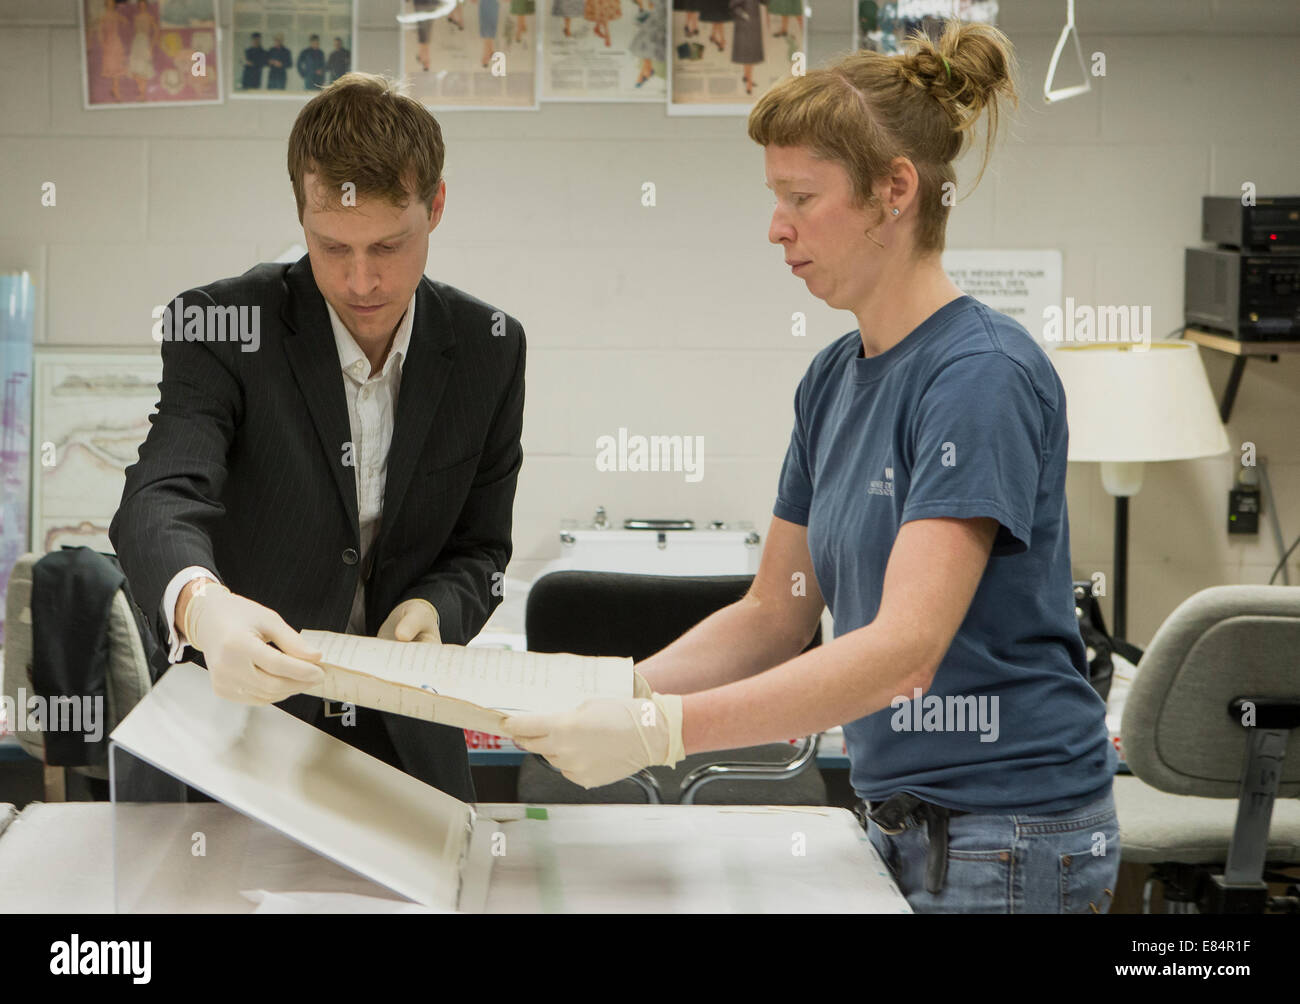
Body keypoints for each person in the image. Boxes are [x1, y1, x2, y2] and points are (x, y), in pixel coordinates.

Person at [504, 20, 1120, 914]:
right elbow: (773, 615)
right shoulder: (835, 376)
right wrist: (609, 692)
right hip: (907, 819)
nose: (774, 227)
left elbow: (904, 651)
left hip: (1010, 833)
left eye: (801, 197)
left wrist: (658, 731)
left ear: (893, 192)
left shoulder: (980, 374)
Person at [110, 72, 526, 804]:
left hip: (407, 745)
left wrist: (434, 610)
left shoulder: (490, 347)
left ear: (436, 207)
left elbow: (480, 548)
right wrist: (204, 609)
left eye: (389, 246)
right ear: (301, 212)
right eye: (331, 246)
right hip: (234, 740)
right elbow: (159, 497)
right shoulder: (221, 327)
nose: (360, 280)